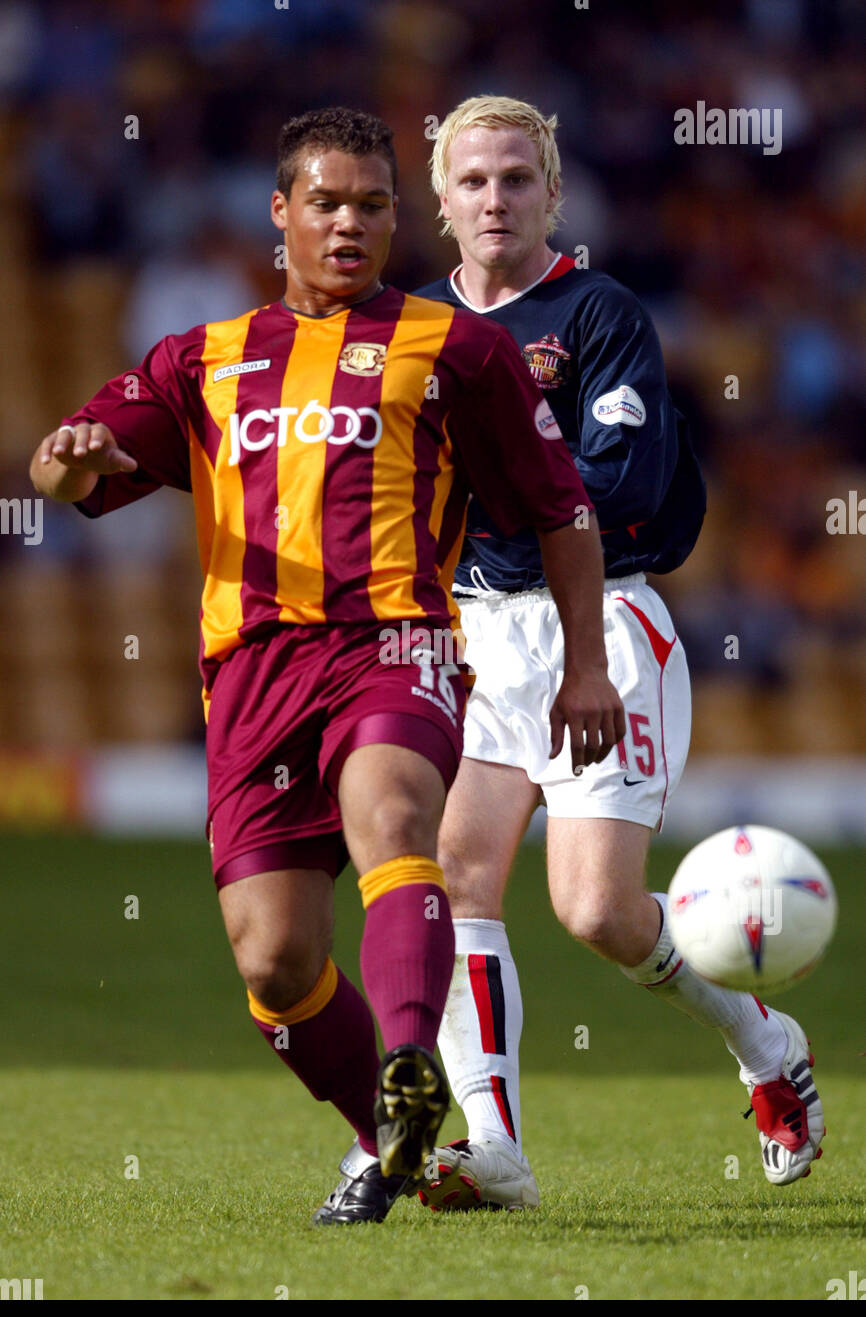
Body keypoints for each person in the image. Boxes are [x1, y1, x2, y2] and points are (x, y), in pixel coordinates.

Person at [30, 107, 624, 1225]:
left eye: (370, 204)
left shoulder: (455, 349)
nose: (348, 224)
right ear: (280, 214)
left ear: (399, 218)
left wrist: (584, 666)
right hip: (252, 676)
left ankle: (410, 1052)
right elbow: (78, 472)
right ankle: (388, 1130)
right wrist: (70, 467)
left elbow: (561, 508)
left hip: (393, 644)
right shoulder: (198, 361)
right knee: (273, 962)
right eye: (325, 203)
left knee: (395, 820)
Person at [412, 95, 824, 1211]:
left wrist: (483, 521)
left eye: (514, 178)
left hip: (596, 625)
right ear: (441, 200)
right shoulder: (403, 327)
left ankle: (761, 1038)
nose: (493, 197)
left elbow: (620, 486)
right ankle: (495, 1148)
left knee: (594, 912)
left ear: (549, 192)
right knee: (456, 879)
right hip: (473, 631)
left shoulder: (595, 313)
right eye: (472, 180)